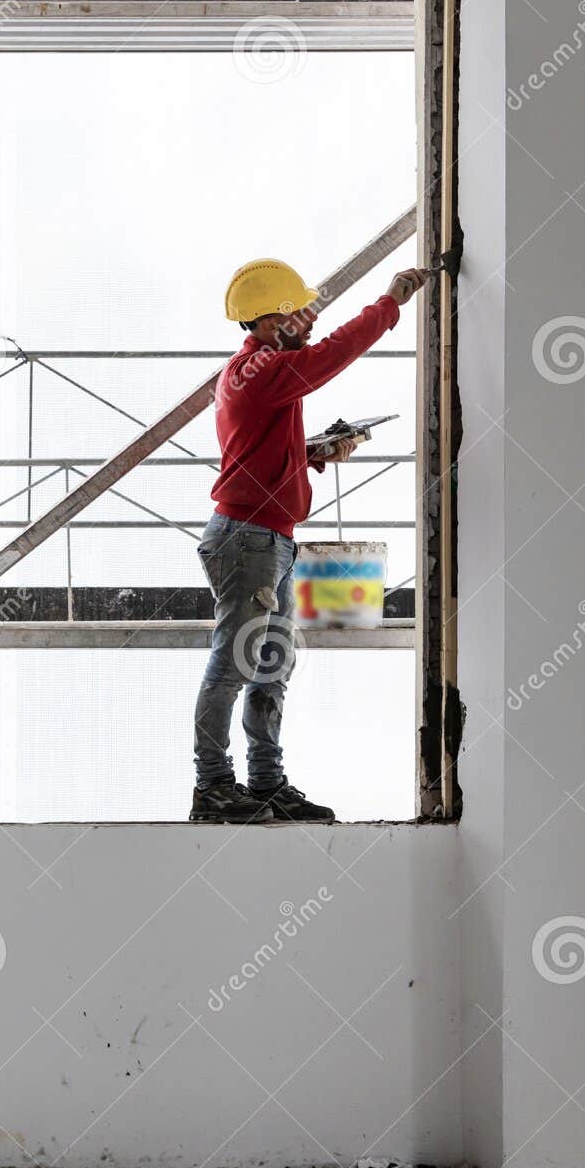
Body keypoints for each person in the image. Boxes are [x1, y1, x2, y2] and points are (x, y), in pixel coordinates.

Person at [191, 257, 432, 824]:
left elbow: (258, 456)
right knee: (233, 663)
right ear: (274, 321)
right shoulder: (262, 370)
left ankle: (266, 785)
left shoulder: (260, 372)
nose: (311, 323)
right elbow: (332, 357)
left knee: (270, 663)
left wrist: (314, 454)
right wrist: (389, 303)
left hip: (267, 537)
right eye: (300, 314)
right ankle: (213, 788)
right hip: (248, 539)